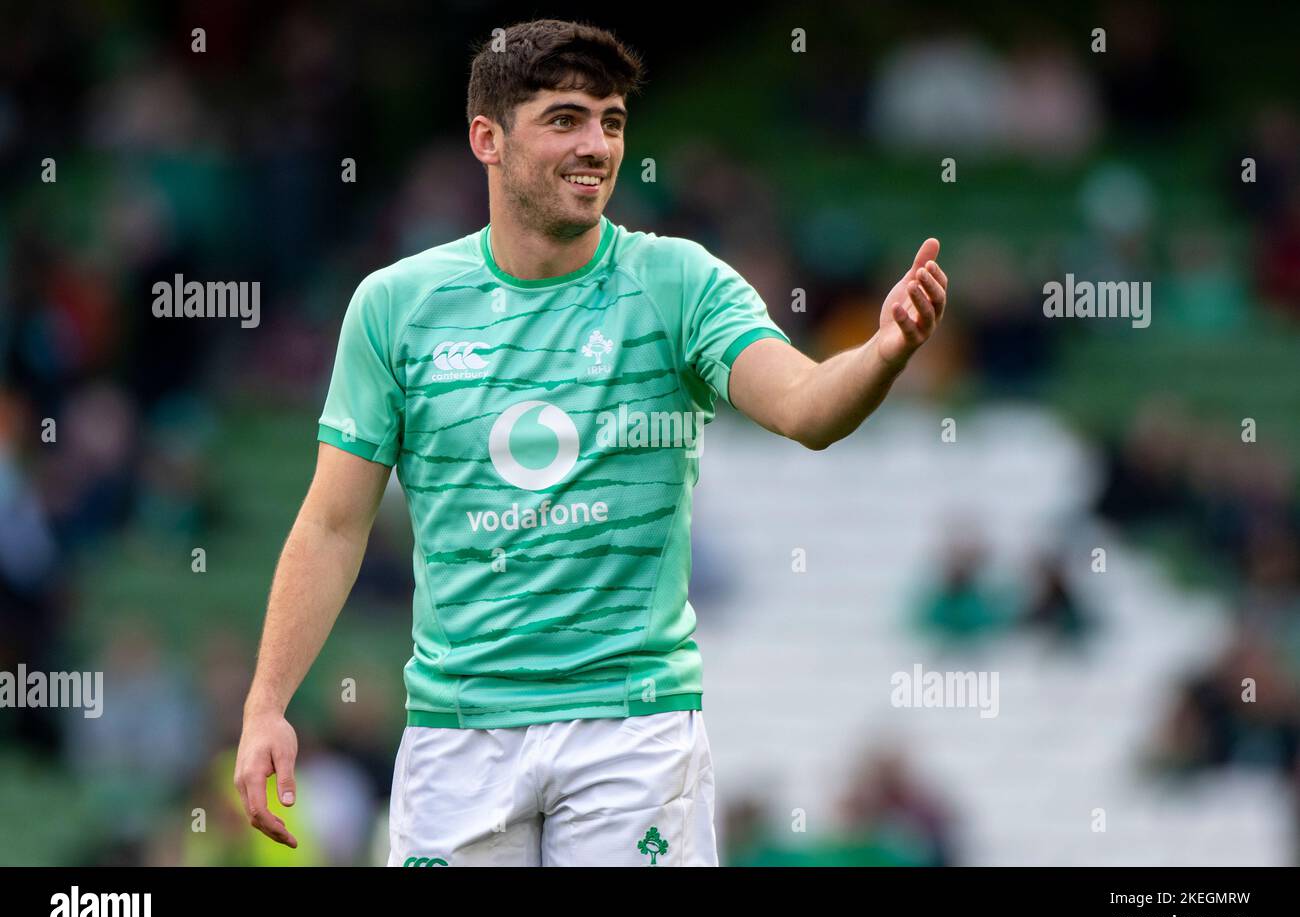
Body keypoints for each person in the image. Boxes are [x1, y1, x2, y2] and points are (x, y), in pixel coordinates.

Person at [234, 18, 947, 866]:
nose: (597, 145)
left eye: (611, 121)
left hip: (633, 727)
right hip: (458, 734)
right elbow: (332, 524)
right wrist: (267, 703)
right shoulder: (396, 306)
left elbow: (805, 408)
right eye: (566, 119)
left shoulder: (678, 282)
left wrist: (882, 352)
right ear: (486, 139)